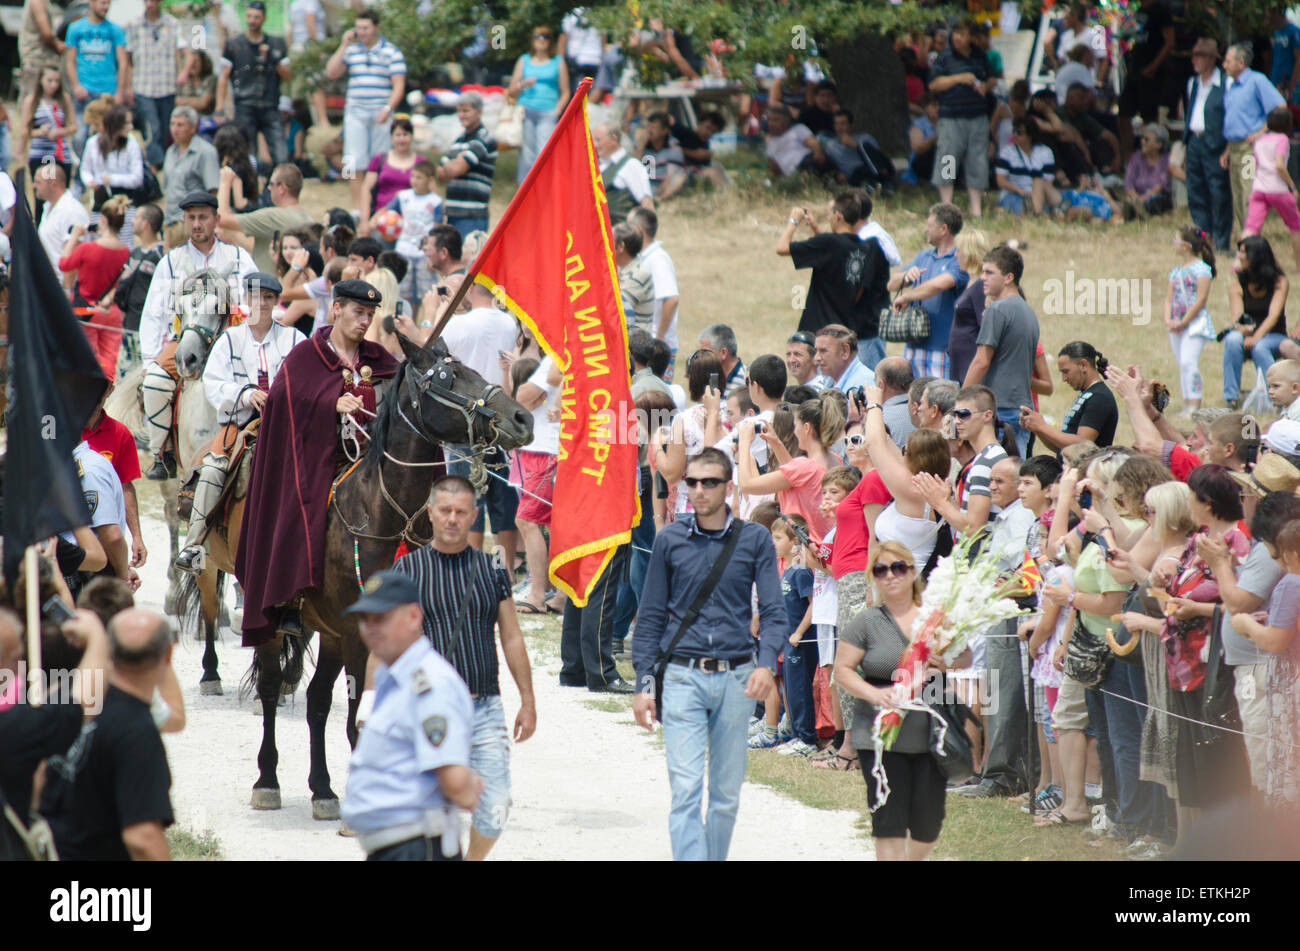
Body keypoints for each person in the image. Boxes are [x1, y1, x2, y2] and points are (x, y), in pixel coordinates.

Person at [632, 448, 784, 860]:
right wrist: (645, 684)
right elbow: (648, 620)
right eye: (692, 482)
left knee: (724, 796)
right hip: (681, 677)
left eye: (709, 482)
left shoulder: (754, 539)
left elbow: (773, 611)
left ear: (729, 487)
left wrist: (767, 664)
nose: (698, 490)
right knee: (685, 790)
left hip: (737, 677)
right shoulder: (669, 540)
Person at [236, 279, 400, 646]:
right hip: (315, 461)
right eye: (359, 313)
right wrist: (330, 403)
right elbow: (283, 401)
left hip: (371, 464)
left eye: (370, 315)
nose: (365, 321)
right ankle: (290, 598)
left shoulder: (377, 359)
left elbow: (398, 396)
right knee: (301, 505)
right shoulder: (306, 356)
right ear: (337, 308)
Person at [387, 476, 534, 860]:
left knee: (496, 805)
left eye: (461, 512)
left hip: (484, 707)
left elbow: (512, 637)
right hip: (428, 711)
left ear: (473, 516)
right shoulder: (407, 571)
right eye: (445, 511)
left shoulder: (493, 569)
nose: (452, 519)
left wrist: (528, 700)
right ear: (431, 513)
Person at [338, 570, 479, 861]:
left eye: (382, 618)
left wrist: (470, 786)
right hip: (397, 846)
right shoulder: (396, 677)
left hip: (417, 847)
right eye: (366, 619)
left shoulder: (428, 685)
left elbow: (456, 783)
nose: (371, 628)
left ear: (414, 617)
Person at [174, 272, 304, 574]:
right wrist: (246, 396)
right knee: (212, 466)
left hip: (286, 425)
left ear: (276, 302)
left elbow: (307, 380)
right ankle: (194, 545)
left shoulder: (295, 338)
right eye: (256, 297)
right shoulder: (228, 341)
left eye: (268, 298)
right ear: (247, 300)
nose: (261, 304)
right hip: (240, 425)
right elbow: (214, 384)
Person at [835, 542, 951, 856]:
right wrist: (874, 693)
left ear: (913, 572)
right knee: (889, 820)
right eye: (881, 570)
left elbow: (963, 656)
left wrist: (947, 660)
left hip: (929, 731)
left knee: (928, 826)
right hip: (878, 733)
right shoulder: (866, 621)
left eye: (898, 567)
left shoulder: (934, 618)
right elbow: (842, 670)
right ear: (873, 577)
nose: (890, 576)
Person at [138, 191, 257, 479]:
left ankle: (257, 444)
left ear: (216, 219)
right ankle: (162, 454)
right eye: (191, 218)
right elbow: (154, 314)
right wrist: (149, 360)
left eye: (203, 217)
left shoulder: (238, 258)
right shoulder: (171, 261)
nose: (197, 224)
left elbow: (255, 300)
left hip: (230, 341)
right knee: (154, 383)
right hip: (183, 340)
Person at [42, 609, 175, 860]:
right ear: (167, 655)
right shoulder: (137, 731)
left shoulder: (65, 699)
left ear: (109, 651)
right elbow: (143, 838)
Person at [779, 191, 889, 367]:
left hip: (819, 331)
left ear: (838, 216)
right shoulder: (863, 247)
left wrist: (793, 221)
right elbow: (832, 252)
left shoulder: (829, 243)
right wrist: (816, 229)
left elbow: (782, 248)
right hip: (843, 332)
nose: (828, 218)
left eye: (830, 214)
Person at [325, 9, 406, 220]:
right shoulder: (352, 51)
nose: (361, 32)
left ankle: (376, 206)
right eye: (358, 27)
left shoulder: (392, 52)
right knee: (353, 163)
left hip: (381, 114)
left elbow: (398, 85)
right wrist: (343, 45)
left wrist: (388, 109)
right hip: (356, 114)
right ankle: (359, 208)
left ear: (376, 28)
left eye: (366, 28)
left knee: (378, 163)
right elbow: (331, 72)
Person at [962, 244, 1039, 455]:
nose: (982, 278)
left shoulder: (998, 309)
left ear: (1008, 277)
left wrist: (959, 403)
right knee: (1015, 478)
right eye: (982, 272)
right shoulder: (1028, 311)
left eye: (989, 272)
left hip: (1001, 409)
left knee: (996, 477)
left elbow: (981, 361)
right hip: (1022, 409)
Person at [737, 392, 845, 541]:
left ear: (806, 428)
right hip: (825, 545)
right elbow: (795, 477)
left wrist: (744, 443)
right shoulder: (835, 459)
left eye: (795, 426)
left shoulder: (804, 466)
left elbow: (746, 485)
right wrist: (776, 443)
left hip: (803, 551)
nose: (794, 431)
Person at [915, 385, 1007, 541]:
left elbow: (974, 528)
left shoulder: (985, 462)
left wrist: (940, 503)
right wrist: (948, 502)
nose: (957, 421)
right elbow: (968, 518)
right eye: (955, 415)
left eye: (964, 415)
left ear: (987, 415)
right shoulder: (988, 456)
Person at [889, 202, 967, 380]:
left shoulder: (959, 259)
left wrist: (907, 295)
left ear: (943, 229)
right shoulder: (924, 256)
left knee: (941, 403)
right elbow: (891, 285)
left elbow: (938, 285)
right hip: (913, 347)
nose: (926, 229)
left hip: (941, 350)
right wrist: (905, 276)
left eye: (929, 225)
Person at [928, 17, 994, 217]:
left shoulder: (980, 56)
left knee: (977, 159)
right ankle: (946, 206)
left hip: (977, 116)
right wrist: (959, 78)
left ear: (971, 37)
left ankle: (976, 209)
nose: (957, 38)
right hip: (951, 117)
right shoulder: (944, 57)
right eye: (955, 33)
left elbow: (992, 78)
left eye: (962, 34)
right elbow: (933, 85)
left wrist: (986, 85)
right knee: (948, 157)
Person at [59, 194, 130, 380]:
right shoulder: (125, 251)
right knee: (110, 364)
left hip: (86, 312)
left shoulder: (88, 248)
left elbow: (64, 264)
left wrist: (74, 236)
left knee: (88, 366)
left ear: (104, 220)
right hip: (111, 313)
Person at [1222, 43, 1286, 245]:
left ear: (1241, 62)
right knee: (1237, 193)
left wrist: (1260, 131)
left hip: (1249, 149)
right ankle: (1244, 237)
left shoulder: (1256, 81)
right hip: (1234, 147)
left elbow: (1279, 106)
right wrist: (1226, 151)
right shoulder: (1232, 86)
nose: (1224, 65)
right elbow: (1233, 121)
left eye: (1228, 61)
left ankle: (1251, 239)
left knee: (1248, 190)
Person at [215, 0, 289, 167]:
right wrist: (219, 108)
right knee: (247, 157)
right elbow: (223, 76)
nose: (252, 20)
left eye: (256, 17)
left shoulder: (276, 44)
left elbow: (288, 76)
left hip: (270, 105)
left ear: (264, 18)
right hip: (245, 105)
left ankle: (276, 189)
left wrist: (273, 59)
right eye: (249, 16)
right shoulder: (234, 44)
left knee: (281, 156)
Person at [1222, 236, 1289, 410]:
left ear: (1256, 256)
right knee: (1232, 340)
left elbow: (1273, 315)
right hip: (1250, 334)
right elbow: (1238, 317)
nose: (1239, 256)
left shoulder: (1279, 281)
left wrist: (1256, 337)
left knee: (1260, 347)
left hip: (1274, 334)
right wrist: (1244, 330)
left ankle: (1276, 398)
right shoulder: (1237, 283)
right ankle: (1231, 398)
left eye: (1244, 252)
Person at [1020, 342, 1118, 452]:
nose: (1064, 379)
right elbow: (1062, 448)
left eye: (1066, 372)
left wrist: (1042, 426)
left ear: (1083, 365)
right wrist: (1037, 428)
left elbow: (1083, 444)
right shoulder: (1088, 394)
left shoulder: (1100, 397)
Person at [1183, 38, 1232, 253]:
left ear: (1212, 59)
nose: (1195, 60)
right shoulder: (1192, 83)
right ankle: (1202, 237)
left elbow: (1231, 117)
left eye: (1200, 56)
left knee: (1219, 192)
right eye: (1194, 56)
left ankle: (1221, 242)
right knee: (1196, 190)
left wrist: (1228, 147)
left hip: (1215, 142)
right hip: (1194, 139)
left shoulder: (1225, 83)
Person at [63, 0, 128, 158]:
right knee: (80, 137)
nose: (106, 7)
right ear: (91, 3)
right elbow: (69, 61)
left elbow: (123, 62)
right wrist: (76, 86)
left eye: (108, 3)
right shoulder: (75, 28)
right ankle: (81, 174)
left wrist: (119, 92)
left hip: (107, 92)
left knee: (107, 137)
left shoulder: (115, 30)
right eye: (102, 3)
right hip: (84, 91)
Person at [1163, 226, 1217, 413]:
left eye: (1175, 240)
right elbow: (1169, 298)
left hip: (1194, 324)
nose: (1173, 244)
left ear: (1185, 245)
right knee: (1182, 364)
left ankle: (1195, 403)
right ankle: (1187, 402)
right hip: (1177, 324)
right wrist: (1169, 320)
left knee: (1189, 362)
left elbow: (1200, 299)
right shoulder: (1176, 271)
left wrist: (1184, 321)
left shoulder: (1202, 270)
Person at [125, 0, 182, 170]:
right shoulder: (133, 24)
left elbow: (183, 50)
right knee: (153, 128)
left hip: (166, 86)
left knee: (165, 130)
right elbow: (128, 59)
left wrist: (183, 72)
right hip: (143, 87)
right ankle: (153, 167)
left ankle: (164, 165)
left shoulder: (172, 23)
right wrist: (128, 86)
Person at [1116, 0, 1175, 164]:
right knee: (1123, 115)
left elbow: (1170, 42)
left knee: (1148, 118)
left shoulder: (1161, 11)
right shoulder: (1139, 10)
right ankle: (1128, 162)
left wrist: (1153, 67)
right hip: (1134, 71)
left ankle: (1152, 162)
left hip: (1151, 74)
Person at [108, 201, 164, 375]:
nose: (131, 221)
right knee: (122, 380)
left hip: (147, 331)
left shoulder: (161, 255)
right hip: (128, 327)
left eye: (136, 217)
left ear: (146, 223)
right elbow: (122, 282)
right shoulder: (135, 253)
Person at [17, 64, 76, 224]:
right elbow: (25, 130)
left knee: (60, 194)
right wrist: (40, 132)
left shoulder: (64, 99)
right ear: (41, 80)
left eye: (56, 81)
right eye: (49, 80)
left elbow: (73, 126)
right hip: (42, 155)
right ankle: (42, 230)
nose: (53, 85)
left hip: (60, 153)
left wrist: (59, 132)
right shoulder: (33, 101)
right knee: (43, 195)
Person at [509, 25, 568, 183]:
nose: (541, 39)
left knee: (543, 154)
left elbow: (566, 91)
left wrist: (557, 111)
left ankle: (544, 189)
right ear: (532, 39)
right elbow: (511, 91)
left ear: (550, 41)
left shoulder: (557, 61)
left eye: (546, 36)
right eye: (538, 36)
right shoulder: (524, 60)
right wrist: (522, 84)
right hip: (526, 110)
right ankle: (524, 191)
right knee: (527, 156)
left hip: (548, 112)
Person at [1244, 106, 1300, 273]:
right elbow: (1279, 166)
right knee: (1296, 226)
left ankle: (1240, 262)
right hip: (1278, 189)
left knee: (1251, 227)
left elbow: (1255, 164)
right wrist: (1292, 186)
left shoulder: (1259, 140)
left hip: (1259, 188)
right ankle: (1299, 266)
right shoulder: (1282, 139)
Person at [628, 206, 680, 375]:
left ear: (638, 230)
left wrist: (658, 338)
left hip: (656, 349)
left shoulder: (658, 259)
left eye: (629, 227)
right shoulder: (645, 258)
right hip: (646, 346)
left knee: (654, 396)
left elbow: (671, 299)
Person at [437, 92, 496, 238]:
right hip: (452, 214)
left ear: (479, 112)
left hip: (473, 215)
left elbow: (456, 169)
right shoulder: (458, 141)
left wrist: (451, 163)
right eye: (459, 111)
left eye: (466, 111)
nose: (461, 115)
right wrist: (458, 161)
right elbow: (440, 175)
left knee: (470, 260)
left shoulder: (484, 138)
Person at [160, 106, 220, 245]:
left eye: (180, 125)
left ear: (193, 127)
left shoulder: (205, 152)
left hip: (192, 224)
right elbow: (166, 190)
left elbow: (214, 191)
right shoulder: (170, 151)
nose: (175, 129)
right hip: (170, 222)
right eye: (172, 124)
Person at [358, 116, 426, 238]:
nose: (401, 139)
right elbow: (366, 189)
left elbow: (430, 190)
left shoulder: (421, 162)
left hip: (411, 221)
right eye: (397, 135)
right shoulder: (380, 159)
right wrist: (364, 220)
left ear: (411, 136)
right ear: (391, 137)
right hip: (382, 220)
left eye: (405, 135)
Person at [947, 228, 989, 385]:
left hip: (969, 362)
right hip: (961, 362)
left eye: (959, 250)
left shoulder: (980, 286)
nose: (956, 255)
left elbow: (984, 328)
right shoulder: (971, 283)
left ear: (970, 253)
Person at [33, 163, 89, 276]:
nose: (34, 186)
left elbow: (75, 256)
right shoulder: (48, 207)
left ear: (53, 185)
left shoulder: (72, 211)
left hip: (62, 288)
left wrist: (67, 290)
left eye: (38, 182)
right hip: (48, 284)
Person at [593, 123, 654, 225]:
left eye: (599, 140)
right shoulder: (597, 165)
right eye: (594, 140)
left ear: (614, 139)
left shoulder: (632, 165)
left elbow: (647, 205)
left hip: (620, 235)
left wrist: (647, 238)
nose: (595, 145)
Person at [995, 121, 1059, 216]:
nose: (1015, 135)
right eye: (1014, 131)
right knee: (1020, 208)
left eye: (1019, 132)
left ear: (1030, 135)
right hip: (1013, 193)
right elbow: (1001, 181)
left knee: (1042, 207)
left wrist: (1035, 193)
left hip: (1039, 193)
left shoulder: (1045, 152)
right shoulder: (1007, 152)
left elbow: (1048, 181)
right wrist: (1018, 190)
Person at [1123, 123, 1172, 219]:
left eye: (1146, 139)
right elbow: (1128, 183)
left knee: (1154, 202)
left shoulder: (1166, 160)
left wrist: (1143, 199)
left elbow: (1160, 186)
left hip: (1157, 198)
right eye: (1142, 138)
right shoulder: (1136, 157)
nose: (1142, 142)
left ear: (1158, 144)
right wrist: (1136, 199)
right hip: (1137, 198)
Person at [763, 106, 822, 179]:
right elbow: (773, 168)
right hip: (794, 173)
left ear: (786, 121)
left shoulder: (798, 129)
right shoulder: (771, 143)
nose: (771, 123)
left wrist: (818, 152)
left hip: (807, 160)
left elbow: (813, 143)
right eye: (770, 120)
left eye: (776, 120)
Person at [695, 324, 746, 396]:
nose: (700, 357)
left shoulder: (746, 382)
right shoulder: (706, 377)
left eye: (705, 352)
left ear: (723, 353)